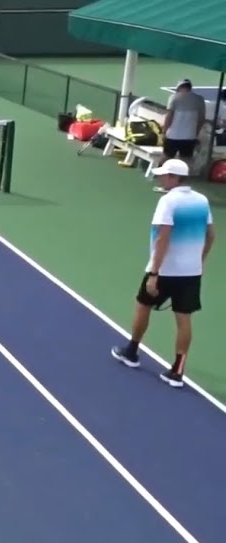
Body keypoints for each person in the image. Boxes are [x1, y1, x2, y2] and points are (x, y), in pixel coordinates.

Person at [111, 159, 214, 388]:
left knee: (142, 305)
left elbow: (163, 237)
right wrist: (199, 262)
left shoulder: (168, 202)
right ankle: (177, 371)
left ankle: (131, 351)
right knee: (184, 318)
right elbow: (211, 235)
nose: (160, 178)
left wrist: (154, 273)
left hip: (165, 271)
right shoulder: (202, 201)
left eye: (164, 175)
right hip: (191, 273)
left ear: (174, 178)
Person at [157, 79, 206, 191]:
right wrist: (195, 133)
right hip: (189, 137)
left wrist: (164, 131)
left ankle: (161, 179)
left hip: (173, 136)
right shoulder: (199, 99)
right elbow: (201, 119)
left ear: (179, 87)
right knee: (185, 160)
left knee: (166, 157)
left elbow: (169, 116)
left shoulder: (173, 97)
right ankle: (181, 183)